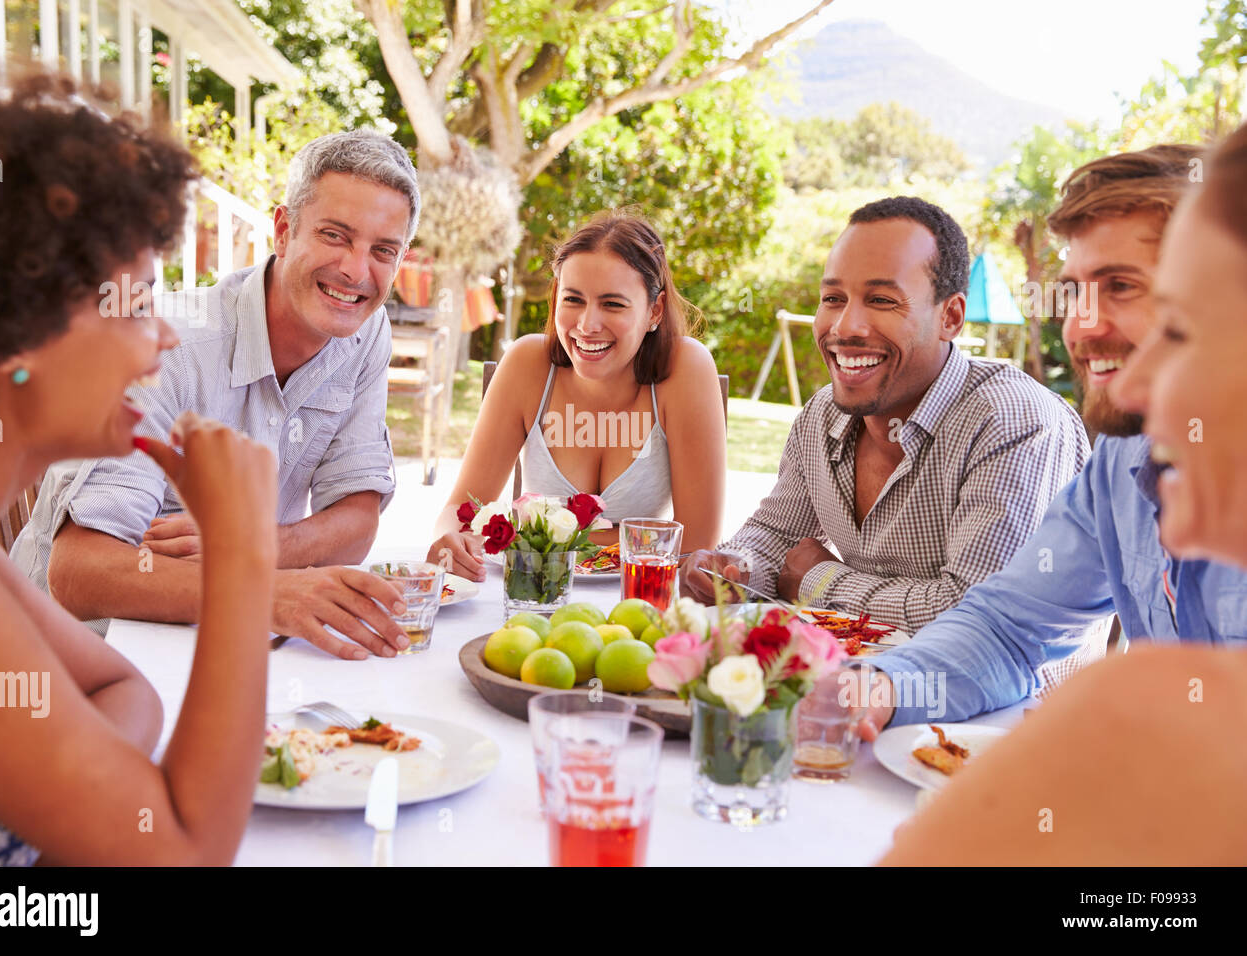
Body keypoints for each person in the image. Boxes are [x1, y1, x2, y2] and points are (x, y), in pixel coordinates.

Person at [0, 74, 316, 865]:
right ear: (19, 334)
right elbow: (184, 852)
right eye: (140, 302)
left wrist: (82, 789)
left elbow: (125, 691)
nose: (165, 339)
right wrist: (244, 555)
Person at [881, 126, 1247, 864]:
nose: (1081, 327)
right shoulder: (1121, 459)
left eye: (1127, 290)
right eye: (1074, 289)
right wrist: (872, 688)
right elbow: (1012, 623)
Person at [11, 128, 416, 660]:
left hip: (214, 648)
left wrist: (251, 548)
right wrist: (262, 591)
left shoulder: (365, 331)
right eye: (336, 235)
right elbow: (79, 572)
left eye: (382, 250)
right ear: (283, 229)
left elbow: (357, 520)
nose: (356, 271)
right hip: (67, 666)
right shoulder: (168, 348)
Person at [681, 197, 1090, 634]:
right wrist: (733, 567)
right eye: (833, 298)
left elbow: (979, 615)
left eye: (880, 299)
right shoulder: (821, 415)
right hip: (859, 685)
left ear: (950, 317)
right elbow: (777, 537)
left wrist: (820, 581)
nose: (845, 327)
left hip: (1015, 702)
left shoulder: (1013, 423)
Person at [428, 211, 727, 581]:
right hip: (538, 592)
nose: (587, 326)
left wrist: (535, 537)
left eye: (613, 304)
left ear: (655, 310)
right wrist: (449, 539)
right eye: (573, 299)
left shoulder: (686, 368)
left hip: (640, 596)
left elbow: (696, 541)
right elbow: (461, 509)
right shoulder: (527, 364)